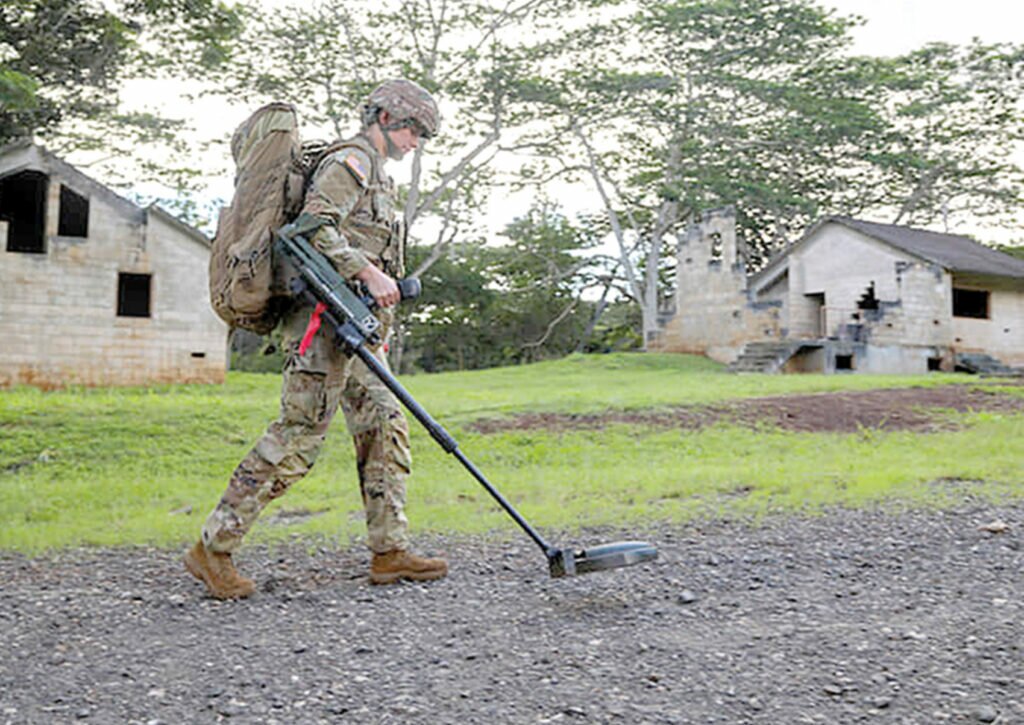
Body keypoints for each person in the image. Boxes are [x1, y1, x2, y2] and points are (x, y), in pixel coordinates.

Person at [185, 79, 448, 599]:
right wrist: (367, 272)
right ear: (385, 119)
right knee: (297, 438)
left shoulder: (377, 177)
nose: (415, 140)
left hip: (355, 329)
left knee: (385, 425)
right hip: (322, 326)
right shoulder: (350, 163)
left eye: (421, 133)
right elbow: (310, 228)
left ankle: (389, 550)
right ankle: (213, 548)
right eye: (413, 129)